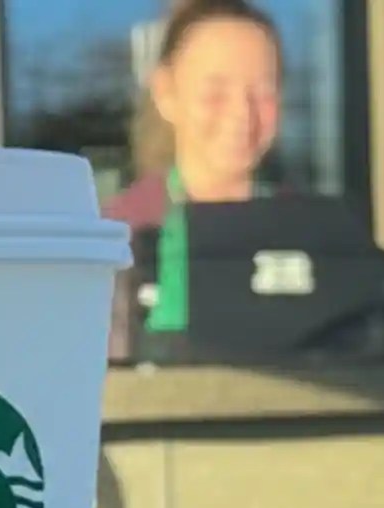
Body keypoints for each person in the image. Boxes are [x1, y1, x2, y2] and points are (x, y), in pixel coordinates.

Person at [106, 0, 283, 359]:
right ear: (165, 93)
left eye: (262, 92)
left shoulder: (311, 233)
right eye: (215, 95)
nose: (242, 114)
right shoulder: (118, 239)